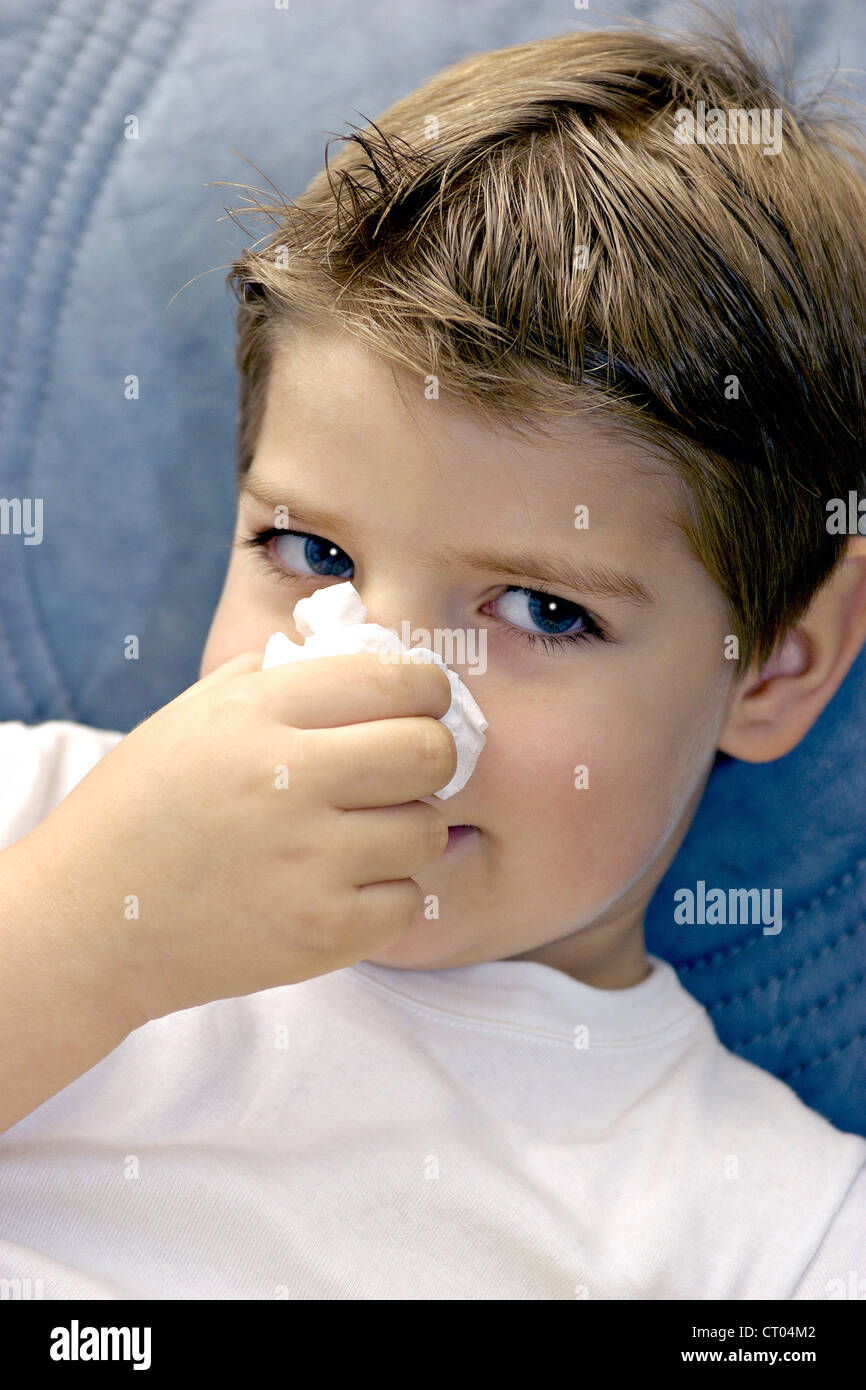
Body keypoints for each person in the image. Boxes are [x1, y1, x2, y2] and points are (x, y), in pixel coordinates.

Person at [1, 14, 865, 1298]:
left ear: (780, 663)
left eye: (542, 612)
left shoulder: (778, 1235)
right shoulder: (34, 815)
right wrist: (90, 935)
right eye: (312, 555)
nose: (385, 683)